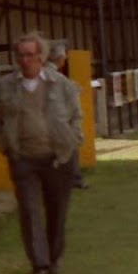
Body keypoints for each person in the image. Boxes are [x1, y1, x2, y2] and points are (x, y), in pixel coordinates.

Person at [0, 29, 84, 274]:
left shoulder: (61, 84)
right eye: (20, 55)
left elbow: (76, 116)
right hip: (23, 158)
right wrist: (6, 147)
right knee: (30, 212)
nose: (24, 60)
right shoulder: (6, 86)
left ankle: (54, 258)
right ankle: (39, 264)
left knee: (57, 210)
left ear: (41, 56)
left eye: (29, 55)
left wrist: (73, 140)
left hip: (57, 156)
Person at [46, 42, 89, 190]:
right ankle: (74, 179)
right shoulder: (59, 79)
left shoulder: (42, 74)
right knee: (69, 149)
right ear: (60, 59)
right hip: (59, 122)